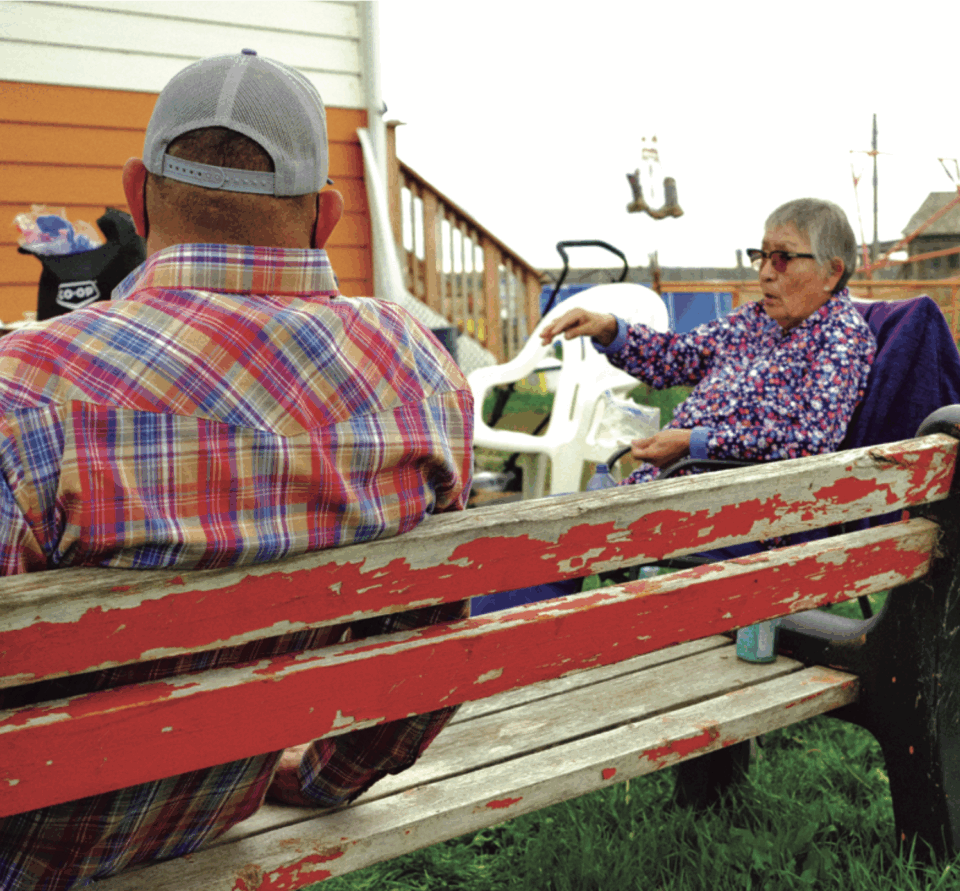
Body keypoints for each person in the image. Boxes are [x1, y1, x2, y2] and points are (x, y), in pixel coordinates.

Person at [0, 51, 473, 890]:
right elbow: (427, 643)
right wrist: (324, 779)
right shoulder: (421, 373)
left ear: (137, 194)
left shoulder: (29, 387)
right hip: (210, 812)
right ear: (326, 216)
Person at [541, 198, 876, 483]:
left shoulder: (841, 339)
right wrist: (609, 329)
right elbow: (675, 357)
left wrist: (695, 443)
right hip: (668, 485)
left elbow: (809, 443)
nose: (765, 273)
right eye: (762, 256)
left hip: (729, 503)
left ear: (832, 273)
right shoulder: (753, 320)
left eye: (782, 259)